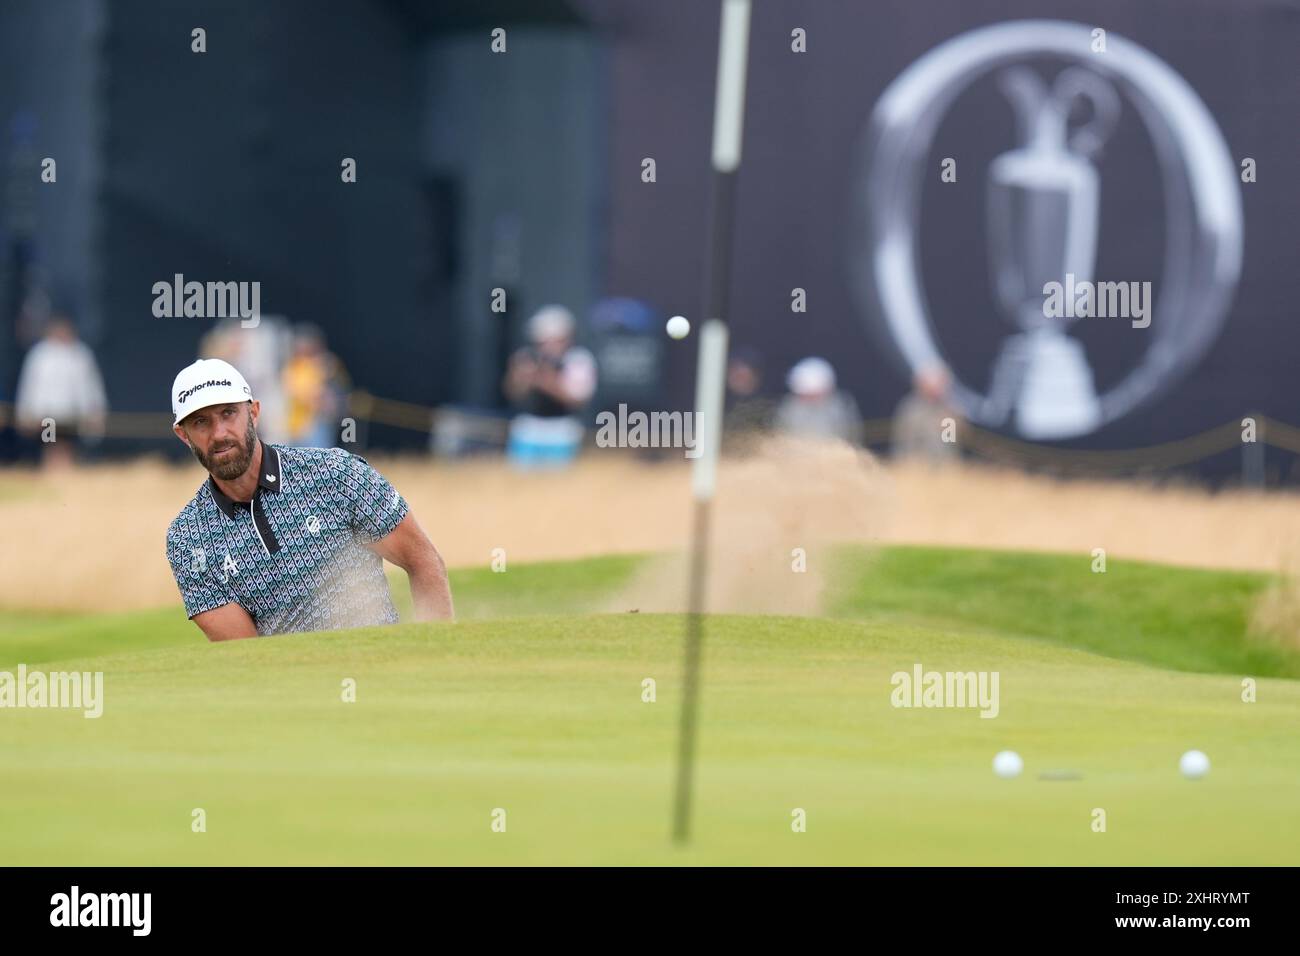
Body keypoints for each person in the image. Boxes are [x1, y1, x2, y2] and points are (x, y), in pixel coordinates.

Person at [165, 358, 453, 641]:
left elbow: (422, 560)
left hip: (383, 671)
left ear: (253, 413)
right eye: (201, 422)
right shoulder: (189, 540)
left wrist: (435, 659)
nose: (219, 434)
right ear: (183, 435)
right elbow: (247, 657)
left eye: (228, 413)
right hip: (296, 685)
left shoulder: (336, 473)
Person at [502, 305, 597, 469]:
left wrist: (543, 378)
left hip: (562, 432)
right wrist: (519, 375)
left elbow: (577, 398)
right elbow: (513, 393)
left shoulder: (578, 360)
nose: (547, 345)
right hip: (528, 431)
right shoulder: (526, 358)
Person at [13, 314, 107, 470]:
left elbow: (90, 387)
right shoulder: (40, 355)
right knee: (51, 447)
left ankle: (64, 478)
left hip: (72, 416)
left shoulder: (80, 354)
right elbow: (30, 386)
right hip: (47, 415)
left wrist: (95, 412)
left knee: (66, 448)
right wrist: (26, 414)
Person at [282, 323, 348, 447]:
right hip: (296, 426)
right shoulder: (293, 367)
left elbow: (334, 396)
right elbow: (294, 391)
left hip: (316, 424)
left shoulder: (325, 365)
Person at [773, 356, 861, 445]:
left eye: (812, 395)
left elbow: (851, 438)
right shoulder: (789, 407)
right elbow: (780, 436)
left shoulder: (841, 405)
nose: (806, 398)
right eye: (803, 394)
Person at [891, 363, 960, 463]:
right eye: (933, 384)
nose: (937, 389)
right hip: (916, 468)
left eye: (941, 384)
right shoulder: (911, 410)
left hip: (943, 469)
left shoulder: (949, 410)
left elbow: (949, 443)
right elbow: (904, 445)